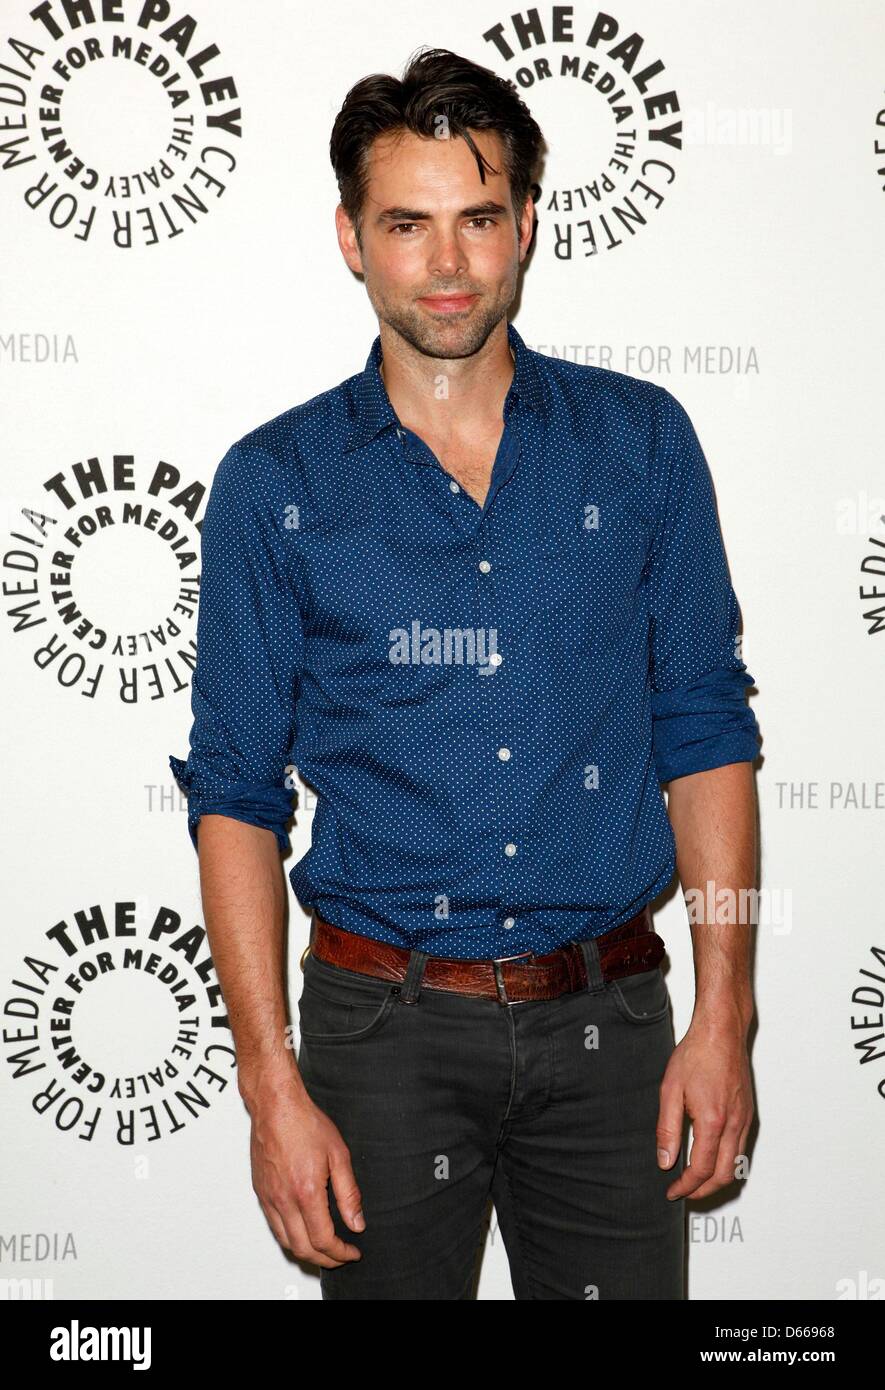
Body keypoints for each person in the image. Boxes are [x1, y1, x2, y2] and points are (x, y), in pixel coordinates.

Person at [169, 46, 760, 1301]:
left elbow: (704, 729)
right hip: (377, 1034)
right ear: (351, 237)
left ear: (528, 226)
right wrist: (272, 1090)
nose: (446, 264)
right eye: (408, 225)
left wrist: (725, 1016)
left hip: (610, 1029)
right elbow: (235, 795)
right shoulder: (275, 487)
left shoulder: (641, 442)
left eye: (478, 220)